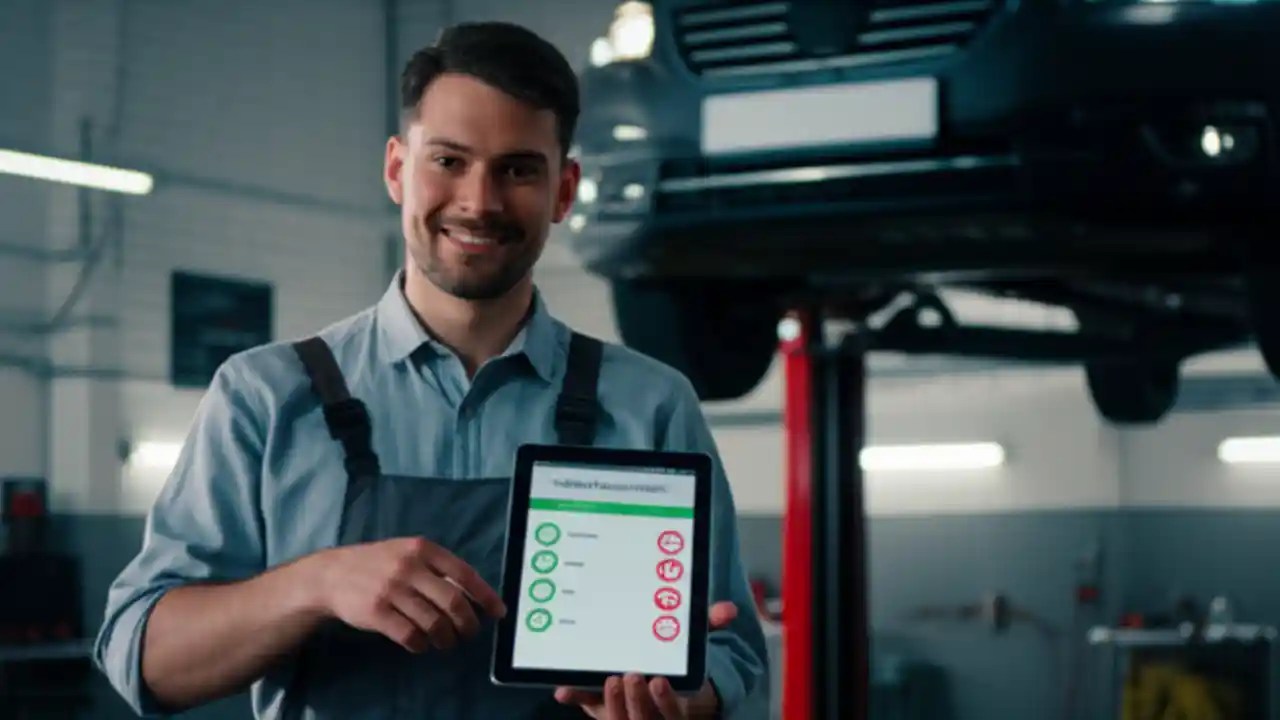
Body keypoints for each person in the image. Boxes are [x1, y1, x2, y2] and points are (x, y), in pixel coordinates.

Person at [93, 20, 769, 720]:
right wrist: (317, 584)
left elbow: (735, 658)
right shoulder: (263, 398)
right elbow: (143, 658)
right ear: (396, 170)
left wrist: (687, 703)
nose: (479, 202)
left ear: (564, 190)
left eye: (517, 169)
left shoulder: (649, 405)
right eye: (448, 161)